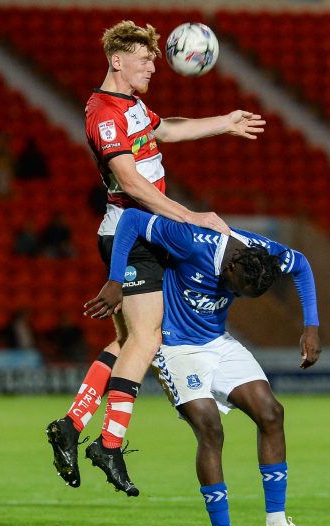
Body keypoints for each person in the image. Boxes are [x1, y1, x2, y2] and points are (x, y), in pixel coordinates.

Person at [45, 20, 266, 496]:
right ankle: (108, 441)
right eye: (145, 59)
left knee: (128, 341)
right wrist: (189, 216)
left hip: (144, 234)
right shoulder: (104, 112)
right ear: (117, 61)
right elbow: (129, 181)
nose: (153, 66)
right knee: (148, 338)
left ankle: (72, 423)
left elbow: (166, 129)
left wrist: (223, 123)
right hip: (131, 234)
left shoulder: (132, 106)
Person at [84, 207, 326, 526]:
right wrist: (116, 279)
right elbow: (133, 219)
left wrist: (311, 328)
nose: (237, 297)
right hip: (175, 347)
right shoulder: (193, 242)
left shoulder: (257, 252)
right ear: (230, 268)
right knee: (210, 429)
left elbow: (301, 264)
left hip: (217, 342)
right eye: (238, 290)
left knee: (271, 413)